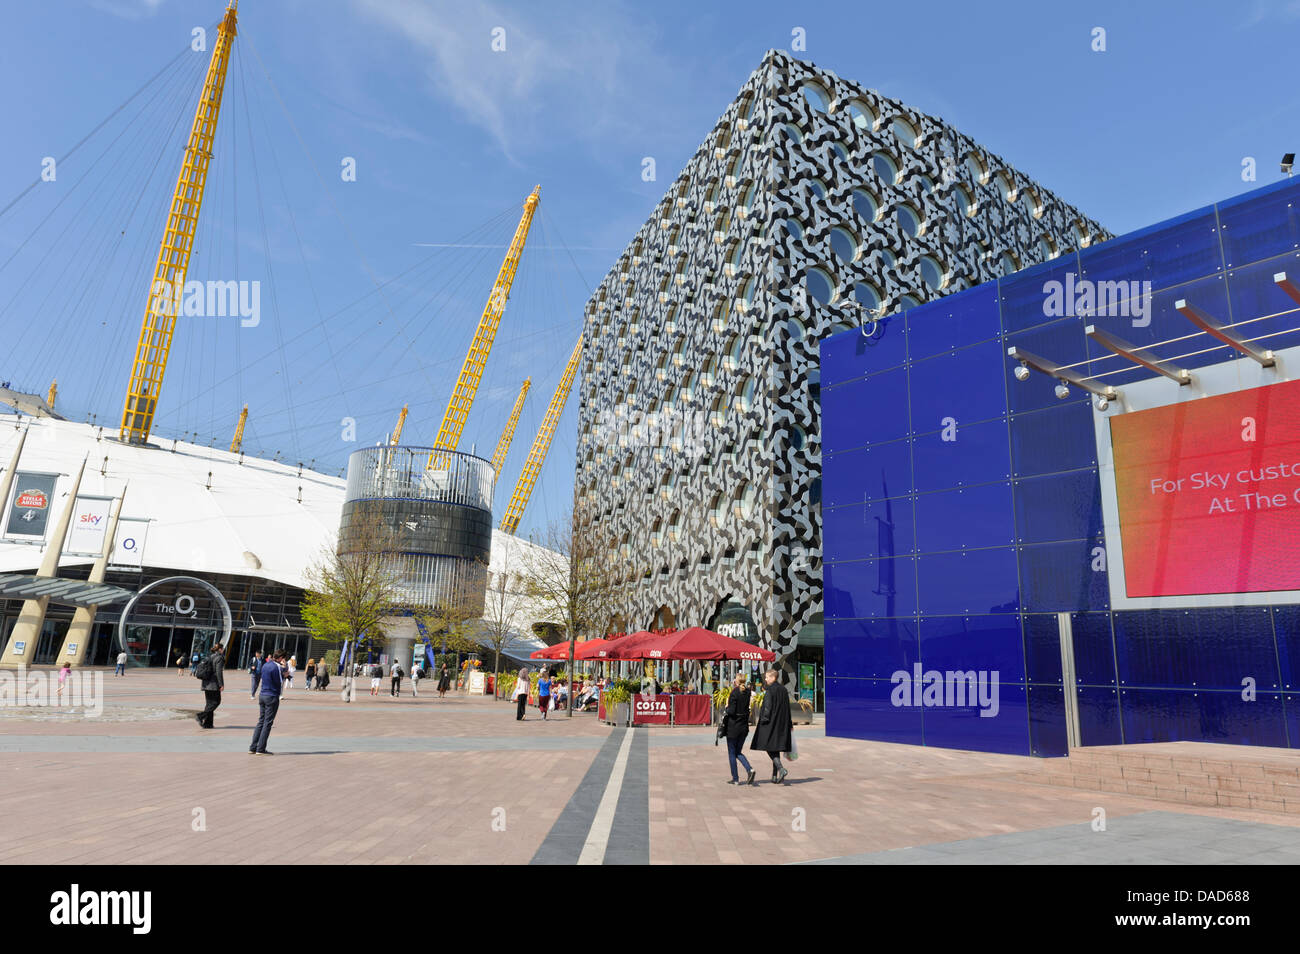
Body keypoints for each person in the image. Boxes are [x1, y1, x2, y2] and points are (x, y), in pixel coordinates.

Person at [750, 669, 794, 784]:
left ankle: (781, 769)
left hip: (771, 723)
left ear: (773, 677)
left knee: (767, 745)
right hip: (782, 724)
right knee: (775, 747)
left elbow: (767, 707)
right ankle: (774, 776)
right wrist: (789, 723)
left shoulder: (770, 690)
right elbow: (788, 709)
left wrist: (763, 720)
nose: (765, 679)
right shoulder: (784, 690)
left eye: (767, 677)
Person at [249, 649, 285, 755]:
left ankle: (253, 747)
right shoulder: (277, 666)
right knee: (267, 723)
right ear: (281, 658)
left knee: (261, 721)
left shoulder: (265, 665)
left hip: (262, 694)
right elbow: (279, 681)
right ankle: (260, 748)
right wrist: (284, 672)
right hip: (272, 695)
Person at [723, 674, 756, 785]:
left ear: (736, 681)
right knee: (738, 752)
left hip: (733, 727)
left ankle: (735, 778)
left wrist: (727, 707)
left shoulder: (734, 693)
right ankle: (749, 769)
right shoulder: (747, 692)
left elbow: (731, 711)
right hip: (743, 727)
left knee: (732, 753)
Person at [195, 642, 226, 729]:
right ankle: (201, 716)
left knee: (209, 704)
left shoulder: (209, 656)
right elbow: (218, 672)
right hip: (213, 684)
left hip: (206, 683)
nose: (223, 650)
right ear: (220, 649)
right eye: (222, 649)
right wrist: (221, 684)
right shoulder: (219, 658)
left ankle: (208, 724)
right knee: (216, 702)